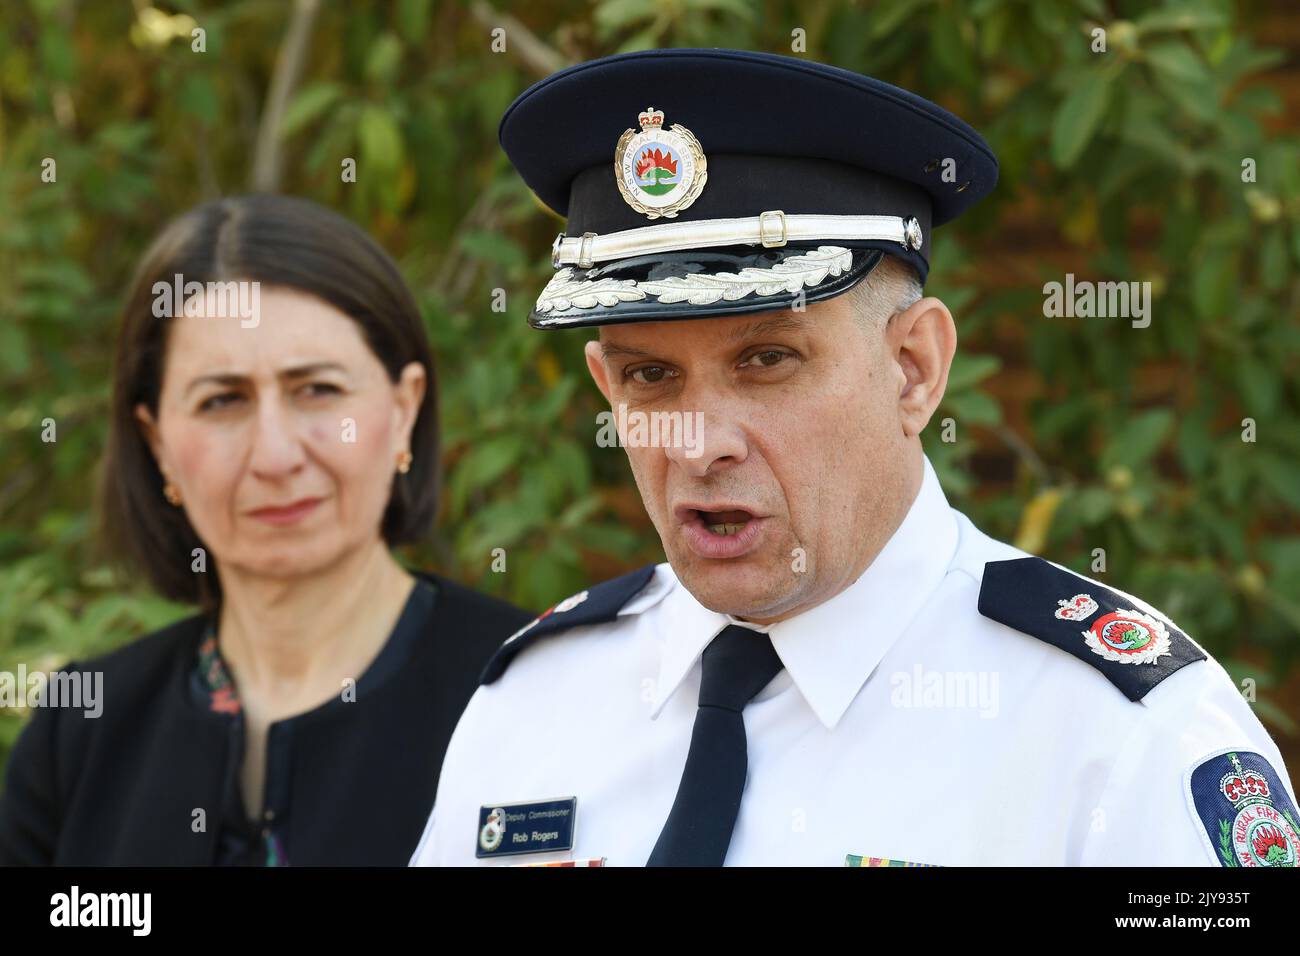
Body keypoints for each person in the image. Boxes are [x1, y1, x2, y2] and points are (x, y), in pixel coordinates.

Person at [411, 49, 1298, 867]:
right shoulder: (530, 704)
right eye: (651, 375)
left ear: (914, 369)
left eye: (767, 361)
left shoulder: (1119, 737)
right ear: (606, 386)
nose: (702, 442)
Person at [0, 194, 532, 865]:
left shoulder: (532, 695)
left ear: (404, 409)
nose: (275, 455)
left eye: (318, 390)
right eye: (222, 401)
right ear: (157, 442)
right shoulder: (77, 737)